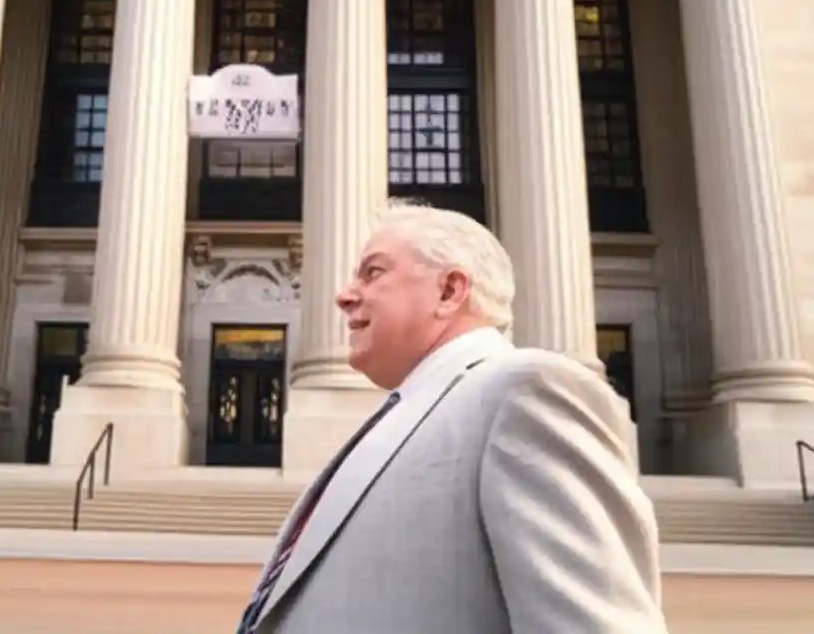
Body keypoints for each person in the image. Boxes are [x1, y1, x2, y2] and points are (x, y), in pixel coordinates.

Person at [237, 200, 667, 633]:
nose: (345, 295)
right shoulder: (416, 407)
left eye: (374, 273)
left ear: (449, 291)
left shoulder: (528, 389)